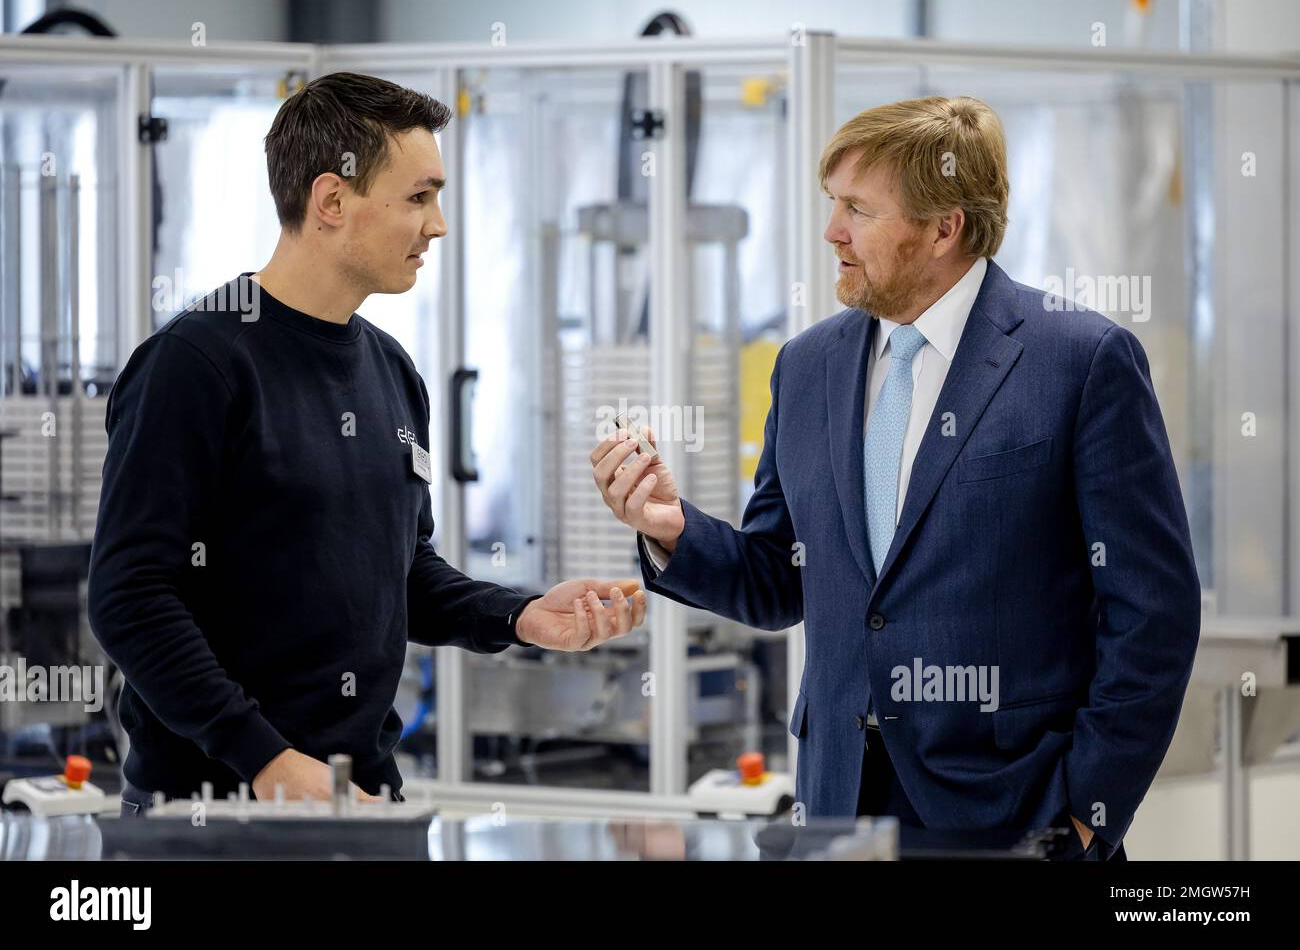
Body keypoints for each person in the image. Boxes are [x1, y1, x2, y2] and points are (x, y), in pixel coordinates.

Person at [591, 96, 1199, 860]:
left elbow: (1153, 612)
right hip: (840, 797)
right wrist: (672, 527)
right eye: (831, 203)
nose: (831, 231)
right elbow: (783, 576)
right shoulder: (808, 366)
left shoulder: (1080, 361)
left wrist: (1087, 812)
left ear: (944, 227)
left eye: (857, 209)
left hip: (1014, 809)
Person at [89, 72, 646, 815]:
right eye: (418, 198)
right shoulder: (197, 365)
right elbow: (129, 596)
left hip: (363, 800)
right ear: (331, 200)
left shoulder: (390, 370)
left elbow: (402, 572)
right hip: (214, 815)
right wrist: (269, 762)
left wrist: (518, 615)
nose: (439, 225)